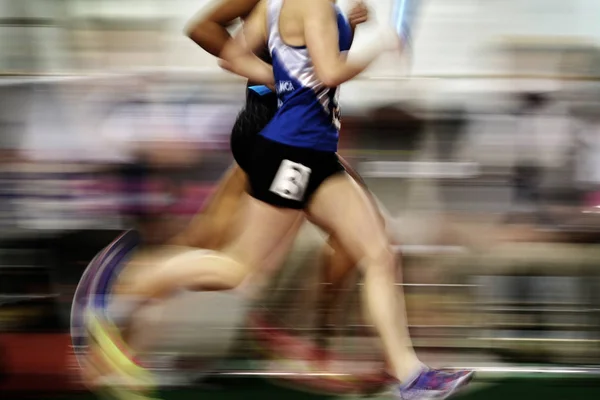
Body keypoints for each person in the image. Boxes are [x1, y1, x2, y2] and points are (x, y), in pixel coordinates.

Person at [86, 0, 474, 399]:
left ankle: (410, 376)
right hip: (291, 152)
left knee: (379, 253)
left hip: (315, 151)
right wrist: (380, 45)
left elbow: (244, 57)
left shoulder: (288, 5)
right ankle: (122, 293)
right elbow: (328, 72)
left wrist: (296, 71)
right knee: (240, 269)